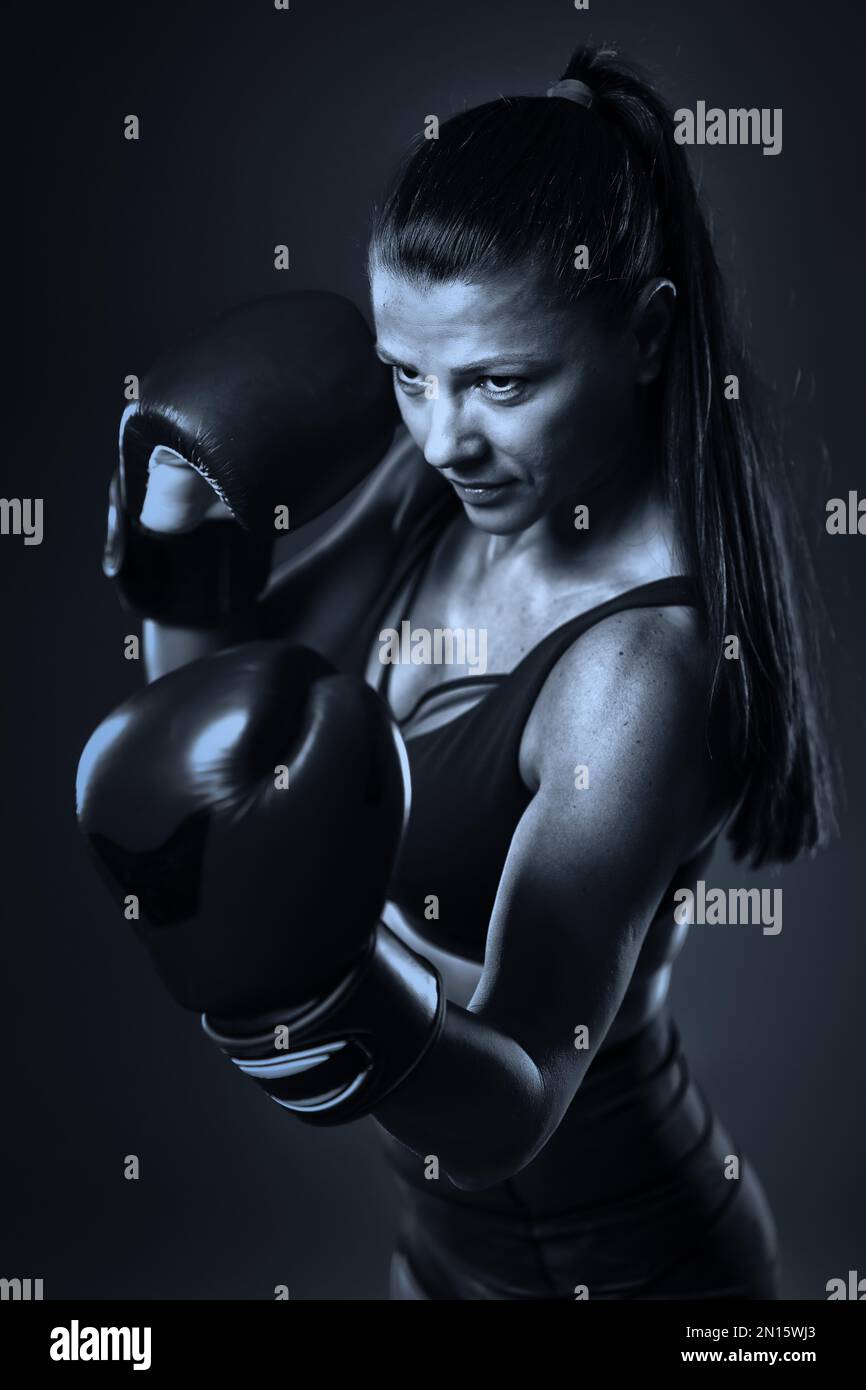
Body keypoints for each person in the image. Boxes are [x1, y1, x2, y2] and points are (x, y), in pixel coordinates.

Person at [77, 45, 837, 1301]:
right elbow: (213, 724)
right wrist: (176, 545)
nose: (440, 436)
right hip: (441, 1255)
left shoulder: (639, 671)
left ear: (642, 336)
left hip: (630, 1270)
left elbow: (517, 1096)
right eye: (405, 372)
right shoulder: (445, 479)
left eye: (500, 381)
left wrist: (332, 996)